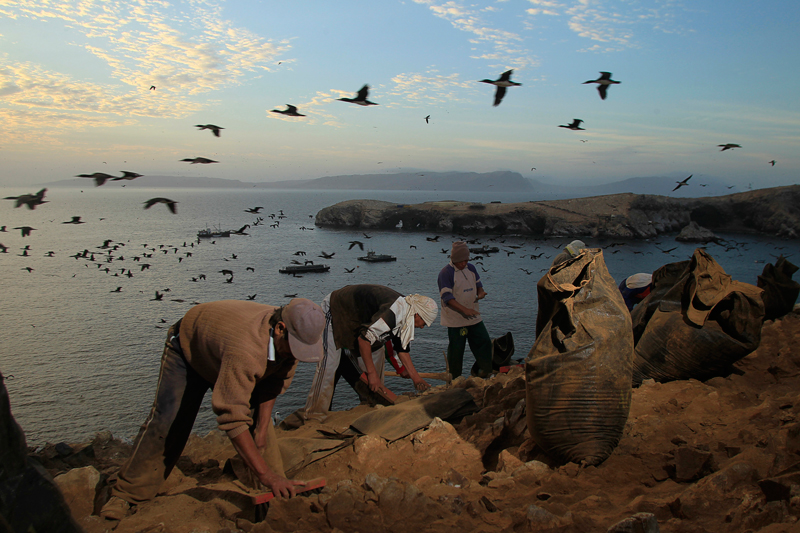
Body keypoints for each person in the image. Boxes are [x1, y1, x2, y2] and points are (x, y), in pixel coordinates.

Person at [100, 298, 325, 521]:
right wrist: (266, 475)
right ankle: (128, 494)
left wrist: (262, 430)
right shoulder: (246, 349)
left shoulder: (291, 343)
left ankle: (273, 492)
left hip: (226, 352)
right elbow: (232, 417)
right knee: (169, 421)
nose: (297, 355)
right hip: (189, 349)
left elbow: (274, 383)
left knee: (261, 430)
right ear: (279, 329)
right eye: (295, 348)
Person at [303, 284, 438, 421]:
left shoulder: (407, 316)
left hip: (359, 318)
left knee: (377, 356)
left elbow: (402, 349)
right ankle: (314, 415)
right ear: (417, 314)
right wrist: (372, 374)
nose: (422, 327)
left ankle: (372, 403)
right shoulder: (392, 314)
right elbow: (364, 340)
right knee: (329, 364)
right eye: (424, 323)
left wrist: (416, 378)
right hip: (337, 310)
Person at [438, 241, 493, 379]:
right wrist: (464, 310)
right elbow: (447, 297)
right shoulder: (446, 273)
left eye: (466, 260)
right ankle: (455, 378)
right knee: (457, 349)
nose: (464, 264)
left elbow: (479, 285)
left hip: (473, 316)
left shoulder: (472, 268)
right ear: (454, 259)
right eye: (461, 261)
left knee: (484, 341)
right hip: (456, 319)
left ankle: (486, 371)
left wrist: (481, 293)